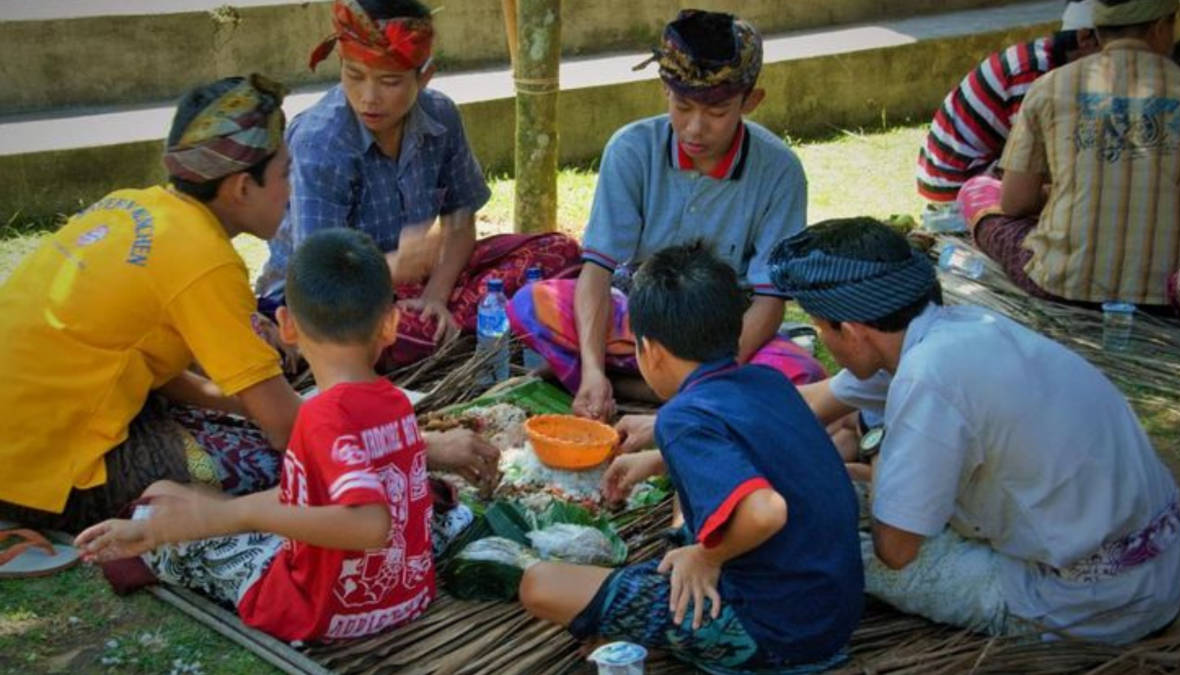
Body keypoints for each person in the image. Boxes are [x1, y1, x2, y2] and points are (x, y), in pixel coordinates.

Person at [769, 216, 1180, 643]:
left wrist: (877, 449)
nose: (824, 341)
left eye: (822, 329)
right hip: (1164, 558)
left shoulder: (927, 376)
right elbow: (812, 404)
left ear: (851, 331)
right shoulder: (959, 327)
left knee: (825, 549)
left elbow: (895, 551)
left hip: (1097, 601)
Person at [76, 229, 459, 642]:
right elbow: (336, 507)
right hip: (406, 595)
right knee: (180, 498)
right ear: (391, 325)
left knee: (154, 511)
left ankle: (170, 524)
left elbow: (369, 524)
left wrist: (225, 517)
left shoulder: (322, 417)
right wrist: (225, 512)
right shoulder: (394, 402)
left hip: (321, 611)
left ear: (286, 325)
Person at [518, 243, 862, 673]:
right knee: (687, 524)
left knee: (540, 583)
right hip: (832, 618)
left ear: (650, 350)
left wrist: (707, 557)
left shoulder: (681, 417)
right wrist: (657, 460)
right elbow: (754, 447)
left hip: (771, 635)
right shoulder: (766, 380)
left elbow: (765, 510)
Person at [0, 75, 303, 533]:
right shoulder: (205, 260)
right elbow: (286, 428)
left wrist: (240, 406)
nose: (293, 189)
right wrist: (393, 441)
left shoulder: (126, 205)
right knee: (270, 463)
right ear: (242, 187)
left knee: (228, 416)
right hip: (36, 475)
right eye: (286, 174)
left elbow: (138, 359)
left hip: (20, 440)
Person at [508, 9, 825, 421]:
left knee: (800, 373)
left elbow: (769, 300)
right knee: (531, 305)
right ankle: (634, 385)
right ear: (665, 91)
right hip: (639, 321)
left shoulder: (780, 171)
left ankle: (643, 388)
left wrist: (711, 372)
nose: (694, 128)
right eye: (682, 106)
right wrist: (592, 370)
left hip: (725, 334)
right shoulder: (631, 149)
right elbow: (598, 272)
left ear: (751, 101)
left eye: (716, 113)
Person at [256, 0, 579, 369]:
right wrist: (391, 267)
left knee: (558, 251)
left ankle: (459, 326)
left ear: (424, 76)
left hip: (419, 284)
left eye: (390, 81)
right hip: (334, 299)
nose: (368, 97)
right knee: (398, 334)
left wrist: (435, 297)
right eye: (354, 75)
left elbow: (460, 221)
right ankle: (482, 327)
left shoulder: (441, 115)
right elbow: (318, 276)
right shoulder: (321, 141)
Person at [963, 0, 1180, 308]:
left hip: (1063, 284)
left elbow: (1015, 202)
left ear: (1098, 32)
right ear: (1159, 28)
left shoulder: (1048, 86)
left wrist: (1062, 192)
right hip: (1169, 290)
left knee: (979, 191)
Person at [916, 1, 1099, 203]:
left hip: (956, 172)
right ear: (1084, 38)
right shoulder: (1034, 72)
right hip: (953, 184)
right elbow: (1034, 157)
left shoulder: (1045, 60)